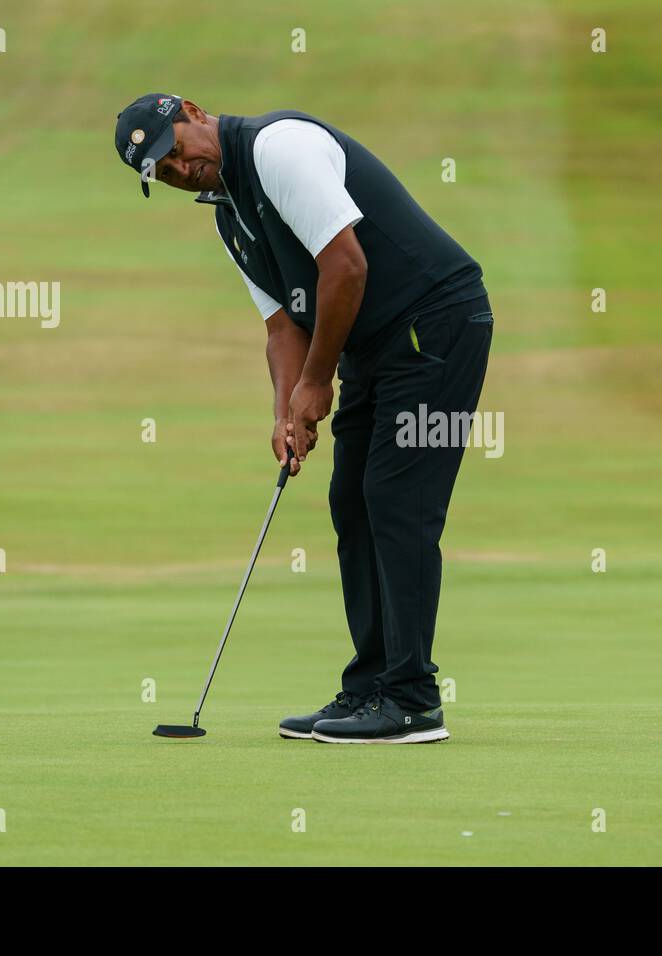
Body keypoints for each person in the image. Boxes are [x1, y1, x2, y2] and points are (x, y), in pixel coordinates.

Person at [114, 94, 493, 743]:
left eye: (176, 149)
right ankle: (371, 686)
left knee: (396, 501)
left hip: (439, 326)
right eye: (163, 171)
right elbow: (282, 325)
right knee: (352, 502)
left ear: (195, 114)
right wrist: (287, 409)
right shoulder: (229, 218)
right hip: (377, 348)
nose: (180, 168)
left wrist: (318, 382)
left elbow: (345, 265)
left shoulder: (277, 148)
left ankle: (412, 699)